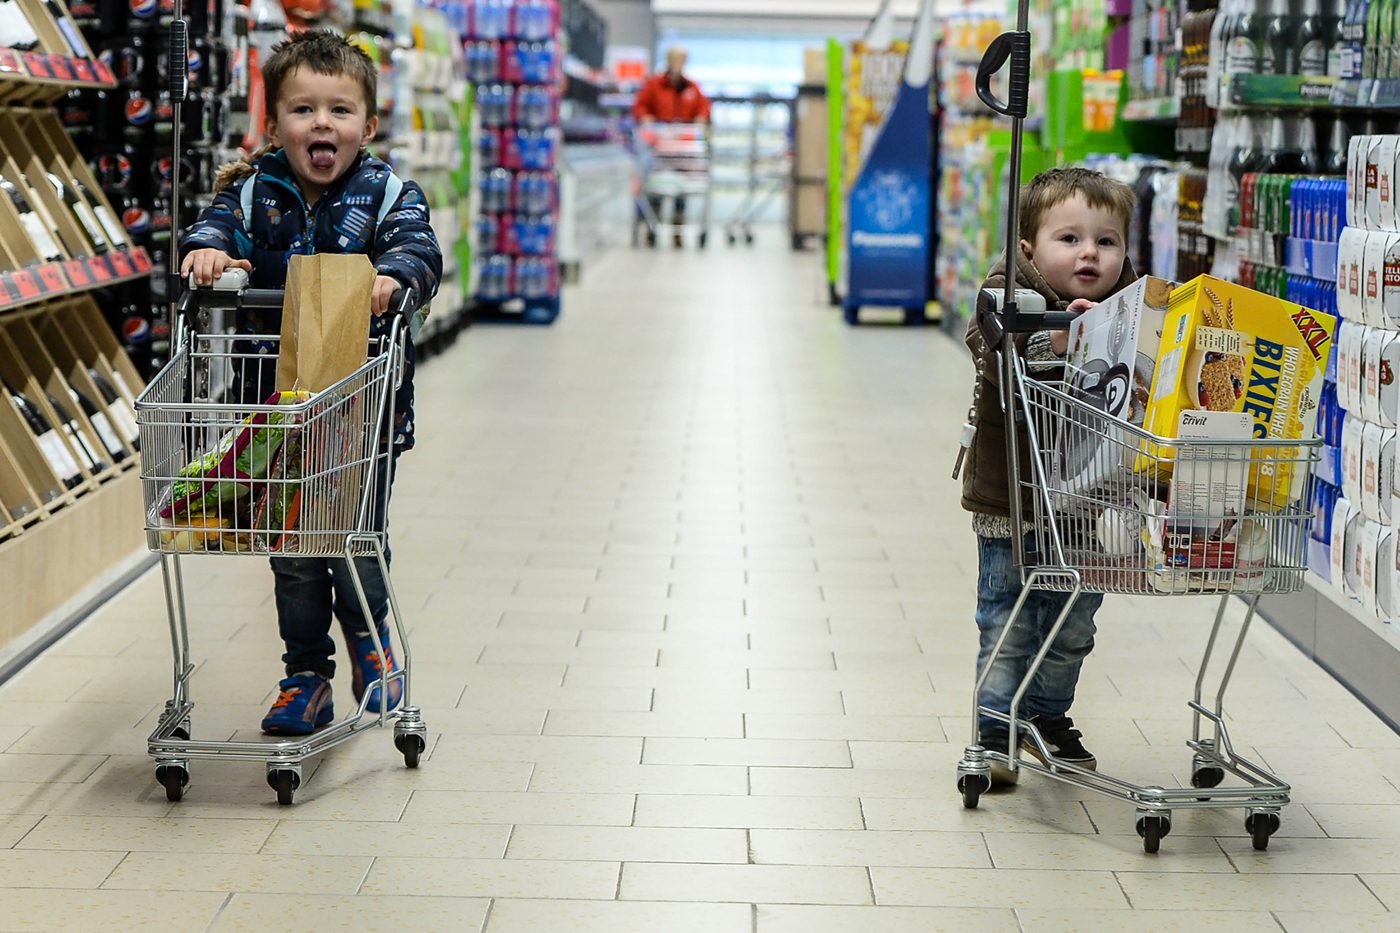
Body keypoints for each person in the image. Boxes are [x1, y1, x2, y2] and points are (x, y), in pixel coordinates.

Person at [179, 30, 442, 736]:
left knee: (354, 532)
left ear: (369, 125)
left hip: (364, 408)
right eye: (302, 110)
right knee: (292, 544)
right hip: (274, 410)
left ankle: (367, 633)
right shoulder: (251, 190)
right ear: (275, 125)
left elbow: (420, 248)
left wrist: (396, 277)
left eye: (339, 110)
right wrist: (208, 250)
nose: (321, 124)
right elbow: (213, 226)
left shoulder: (389, 193)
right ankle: (305, 674)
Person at [961, 167, 1137, 784]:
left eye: (1107, 241)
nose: (1090, 252)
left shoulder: (1134, 308)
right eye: (1071, 238)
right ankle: (994, 729)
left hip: (1091, 504)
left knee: (1072, 625)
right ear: (1030, 248)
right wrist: (1062, 341)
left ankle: (1048, 715)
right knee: (1006, 619)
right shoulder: (1003, 299)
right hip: (1011, 498)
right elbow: (995, 356)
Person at [631, 46, 710, 247]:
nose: (678, 63)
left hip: (683, 149)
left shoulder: (691, 87)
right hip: (659, 147)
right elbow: (640, 106)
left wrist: (701, 118)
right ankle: (653, 227)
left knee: (681, 189)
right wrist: (647, 118)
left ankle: (678, 230)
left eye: (681, 59)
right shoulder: (655, 85)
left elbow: (704, 108)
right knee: (657, 187)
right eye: (674, 59)